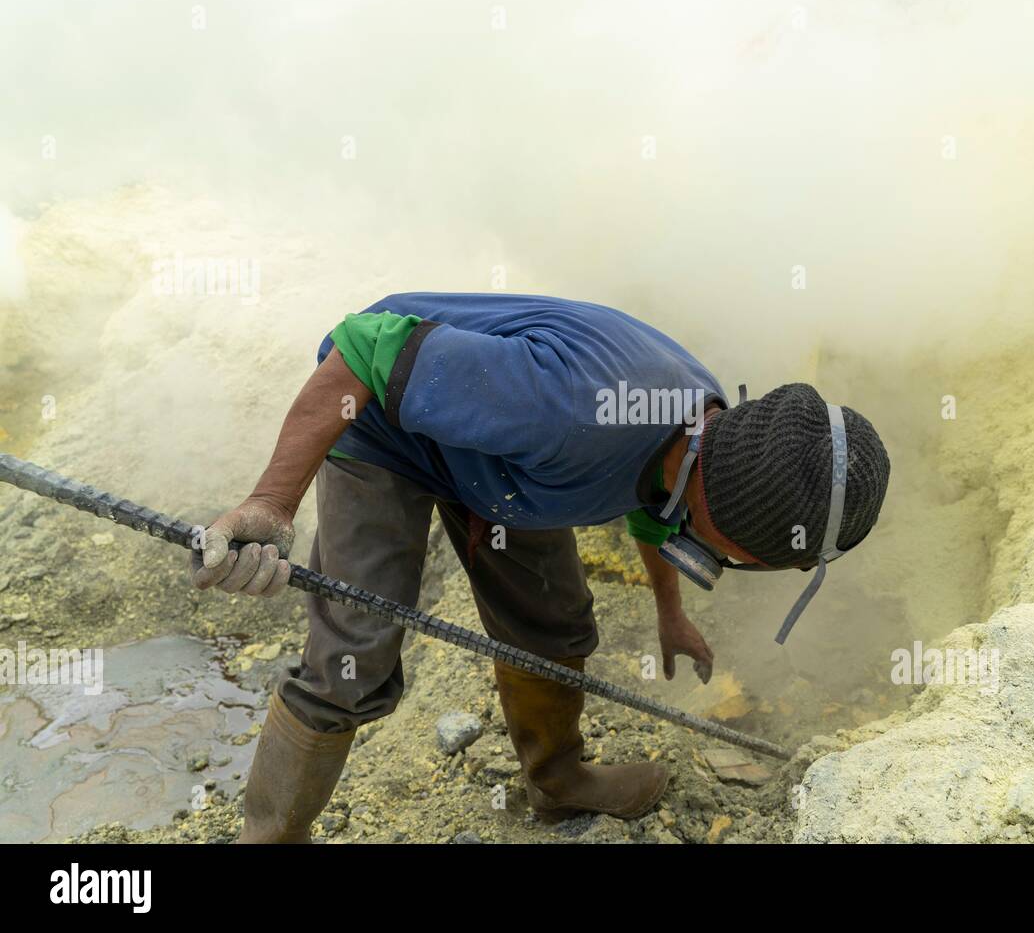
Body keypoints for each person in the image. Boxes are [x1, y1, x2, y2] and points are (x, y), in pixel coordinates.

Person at [190, 292, 890, 842]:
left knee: (552, 624)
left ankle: (558, 782)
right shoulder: (573, 410)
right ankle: (272, 837)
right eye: (748, 558)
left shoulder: (700, 441)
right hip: (383, 424)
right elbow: (361, 351)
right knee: (355, 654)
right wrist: (272, 501)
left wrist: (670, 613)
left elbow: (656, 508)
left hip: (508, 468)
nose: (735, 565)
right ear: (721, 510)